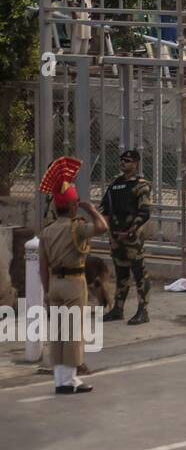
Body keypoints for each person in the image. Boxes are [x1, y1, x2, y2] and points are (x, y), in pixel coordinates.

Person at [38, 157, 108, 394]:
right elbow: (102, 228)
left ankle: (60, 379)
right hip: (74, 283)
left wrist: (47, 292)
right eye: (75, 202)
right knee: (73, 332)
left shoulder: (46, 231)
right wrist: (92, 210)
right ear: (70, 206)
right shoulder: (76, 228)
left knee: (57, 332)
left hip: (54, 284)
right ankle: (69, 381)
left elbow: (41, 265)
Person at [101, 149, 151, 325]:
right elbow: (104, 209)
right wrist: (106, 228)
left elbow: (145, 212)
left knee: (139, 273)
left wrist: (130, 231)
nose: (123, 163)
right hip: (115, 236)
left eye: (128, 160)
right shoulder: (115, 184)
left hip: (132, 237)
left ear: (135, 164)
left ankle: (143, 310)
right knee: (121, 273)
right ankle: (118, 309)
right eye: (122, 160)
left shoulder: (140, 185)